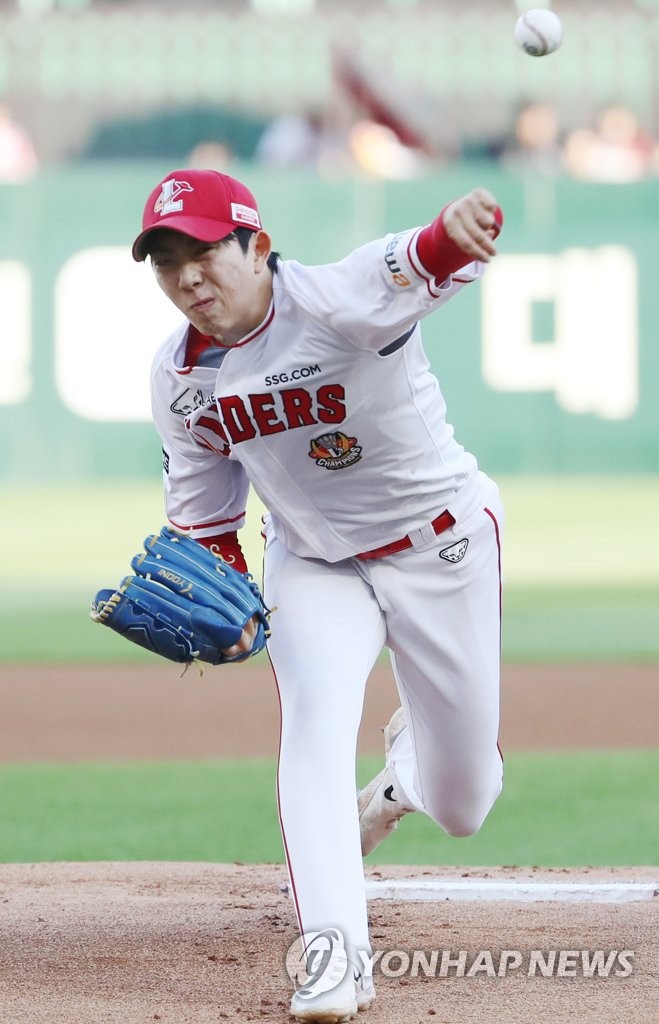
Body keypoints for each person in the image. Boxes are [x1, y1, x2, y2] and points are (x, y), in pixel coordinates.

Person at [131, 168, 505, 1021]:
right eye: (164, 261)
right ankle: (334, 959)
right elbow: (205, 524)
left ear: (256, 246)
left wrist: (457, 227)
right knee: (313, 728)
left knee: (463, 803)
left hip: (437, 544)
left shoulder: (336, 300)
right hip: (314, 563)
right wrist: (219, 594)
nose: (186, 277)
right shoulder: (179, 380)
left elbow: (422, 257)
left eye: (202, 252)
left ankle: (401, 784)